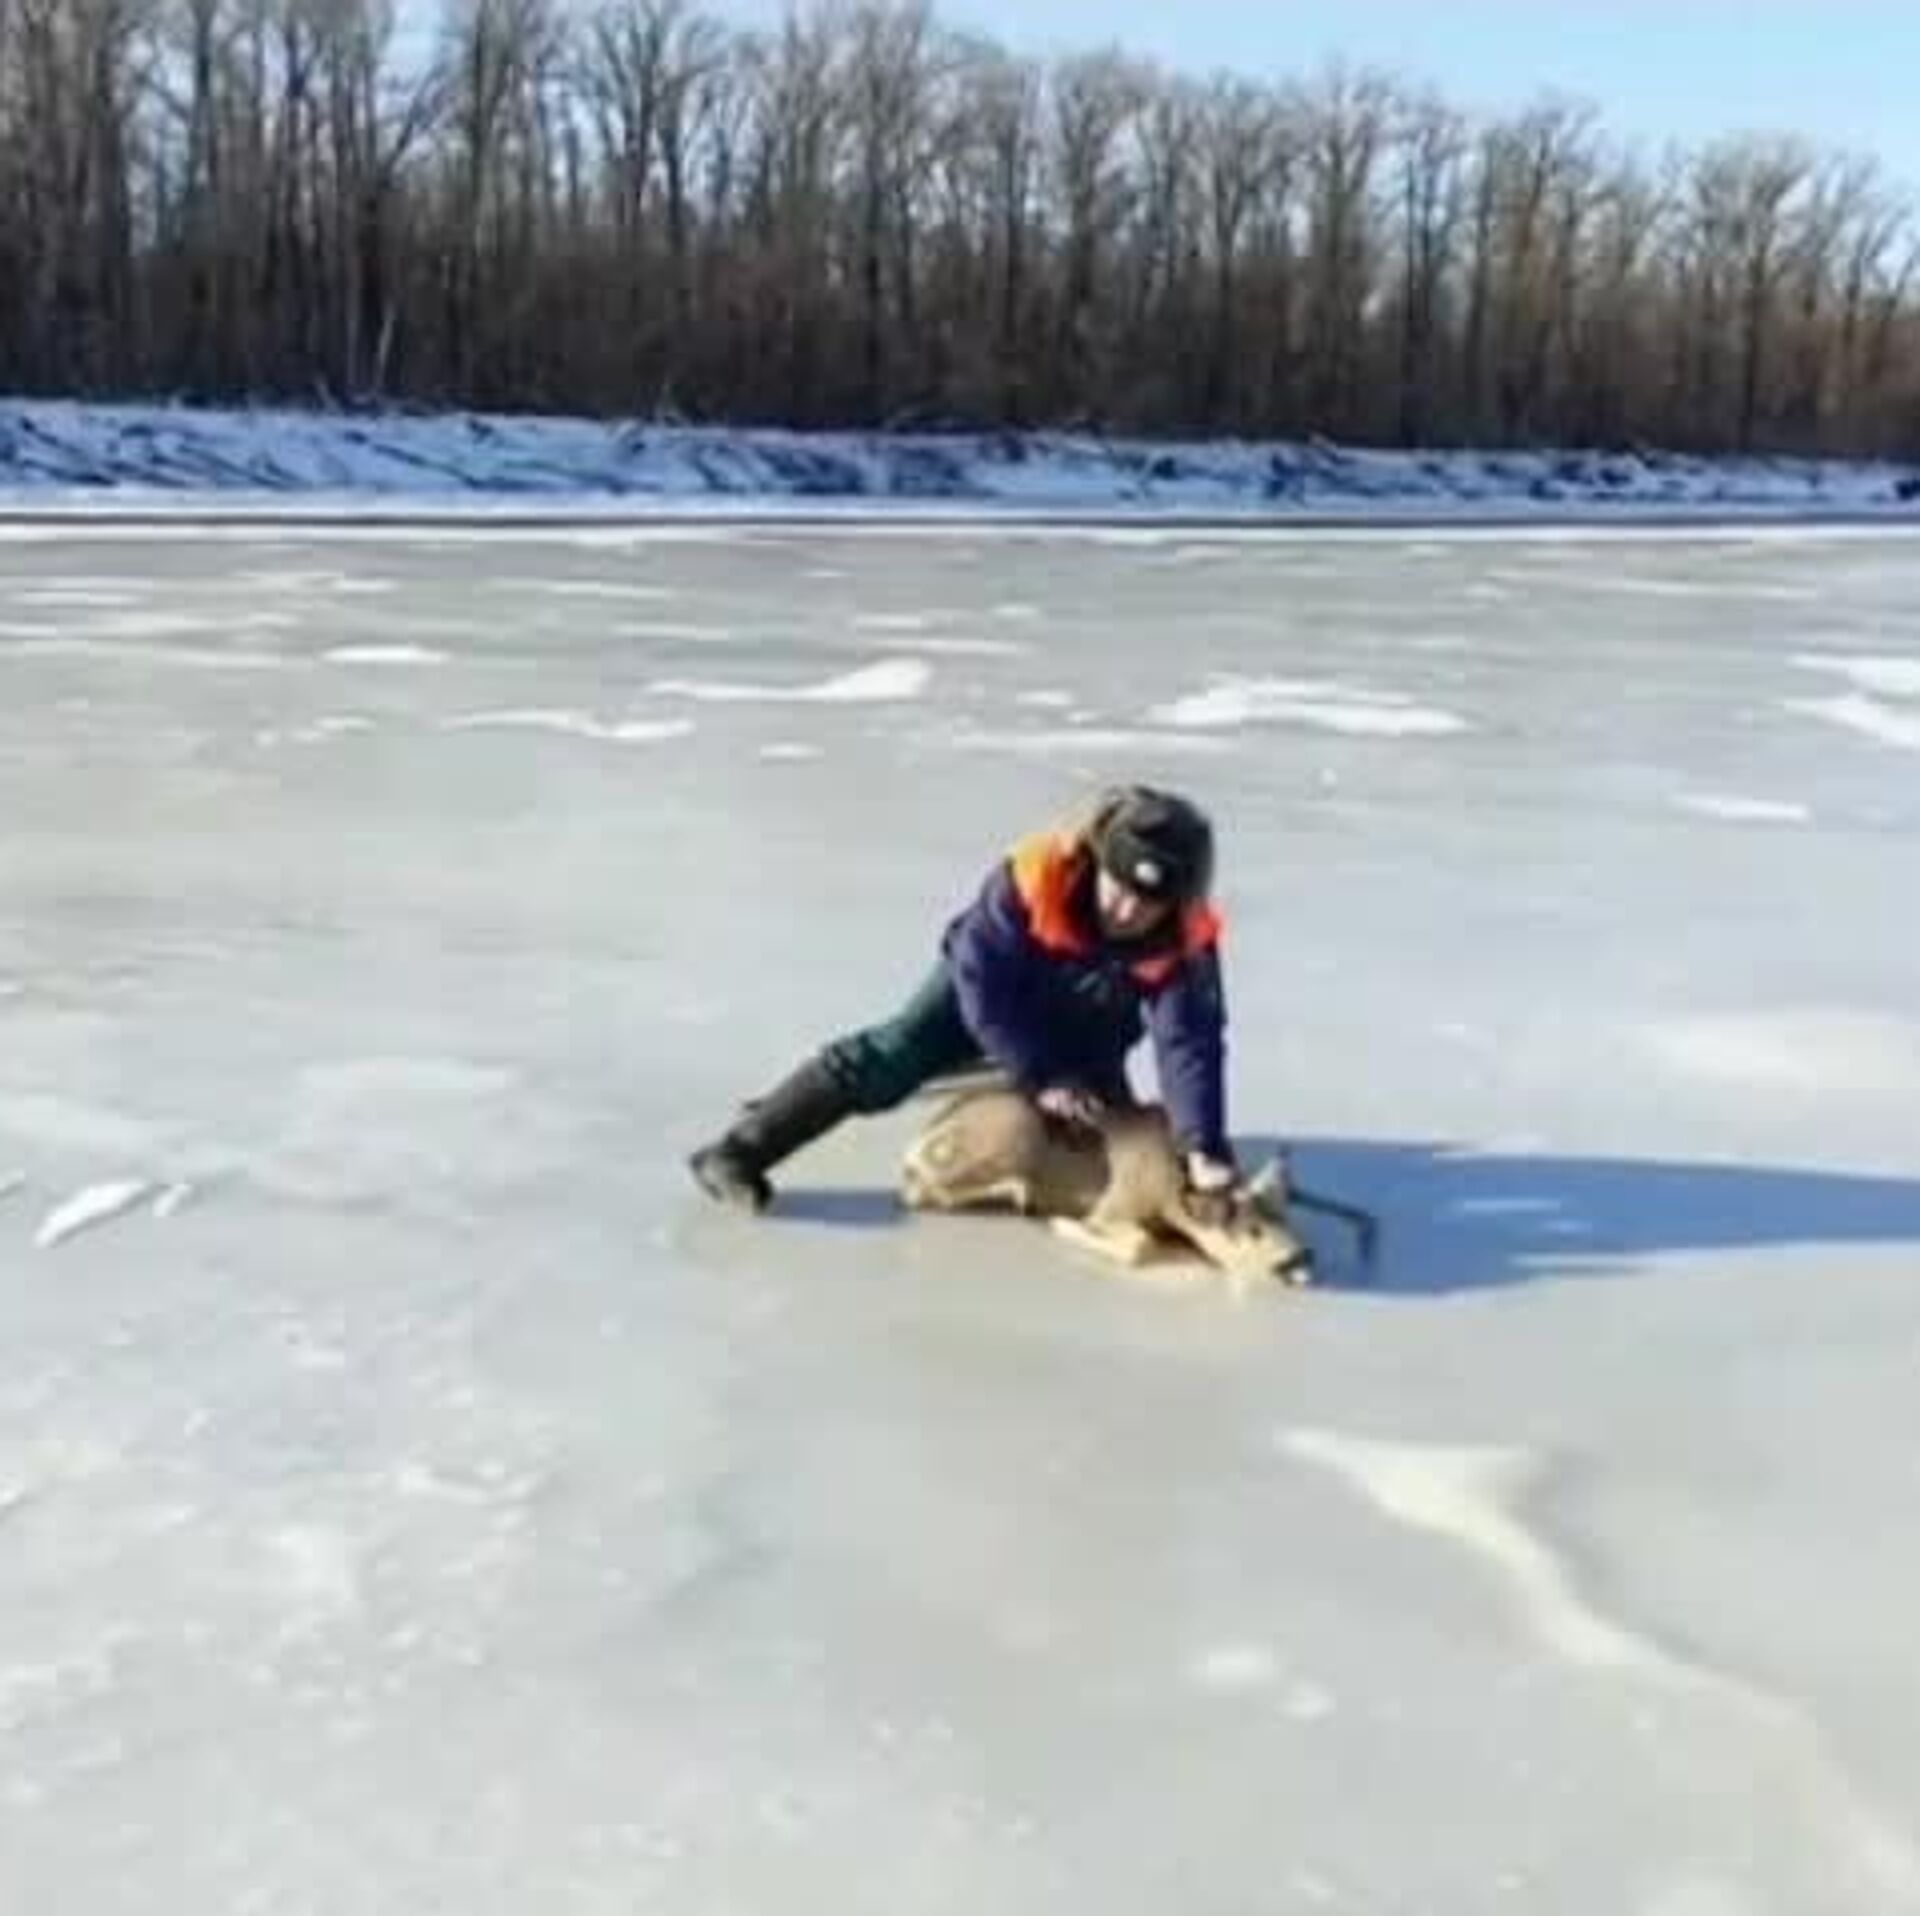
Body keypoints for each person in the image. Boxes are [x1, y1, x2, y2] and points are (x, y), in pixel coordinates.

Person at [687, 784, 1244, 1216]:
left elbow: (1189, 1042)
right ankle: (739, 1150)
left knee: (1109, 1138)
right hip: (989, 991)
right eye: (1118, 889)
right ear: (1098, 860)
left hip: (1089, 1014)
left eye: (1149, 905)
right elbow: (985, 990)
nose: (1127, 913)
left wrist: (1206, 1149)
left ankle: (1007, 1084)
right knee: (893, 1058)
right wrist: (1041, 1076)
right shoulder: (1034, 876)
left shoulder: (1186, 937)